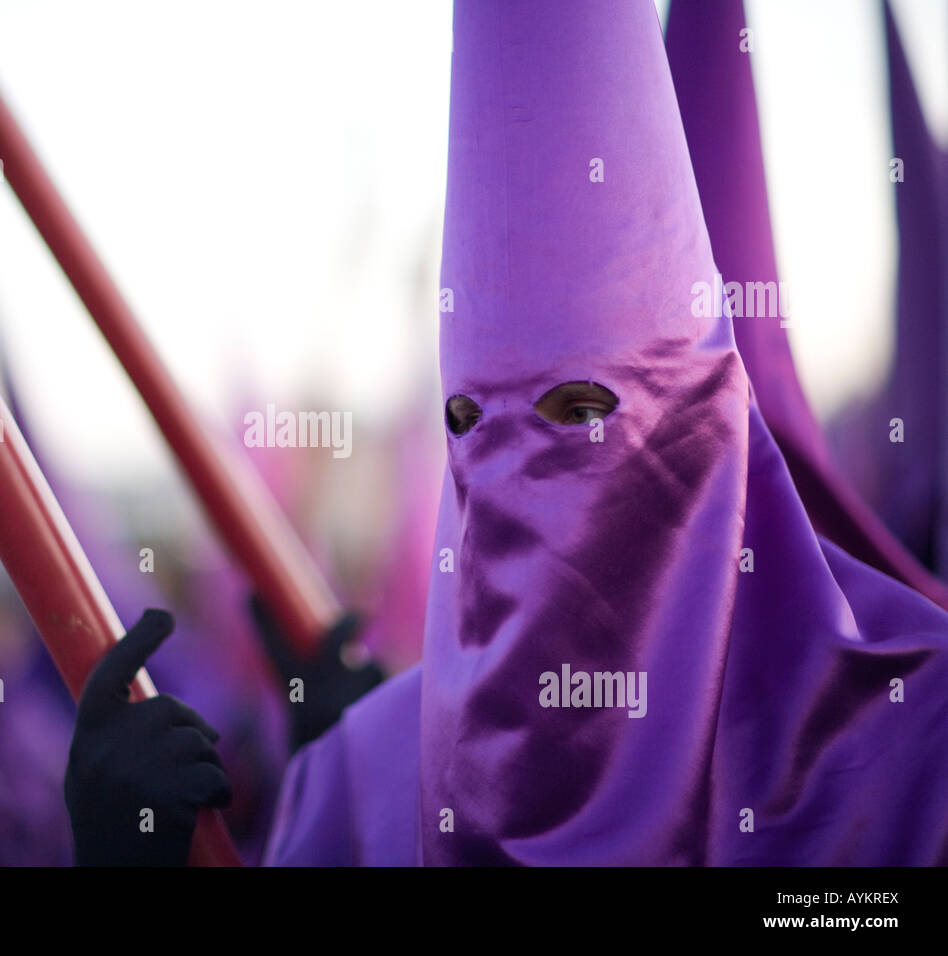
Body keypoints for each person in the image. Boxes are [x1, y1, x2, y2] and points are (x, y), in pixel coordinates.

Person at [64, 0, 948, 866]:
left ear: (701, 421)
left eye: (580, 411)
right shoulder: (359, 778)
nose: (515, 470)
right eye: (469, 422)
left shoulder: (918, 745)